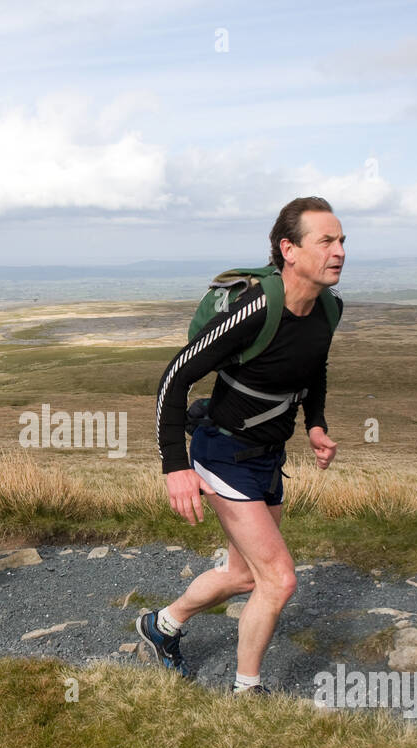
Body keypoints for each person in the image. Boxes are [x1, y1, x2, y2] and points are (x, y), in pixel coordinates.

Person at [140, 197, 345, 695]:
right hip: (222, 453)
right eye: (327, 241)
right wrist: (174, 466)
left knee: (243, 576)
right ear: (288, 250)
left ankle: (162, 625)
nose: (339, 251)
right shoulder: (256, 309)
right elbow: (174, 377)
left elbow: (312, 369)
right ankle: (246, 690)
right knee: (279, 578)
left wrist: (315, 424)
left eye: (342, 241)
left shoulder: (329, 310)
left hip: (268, 457)